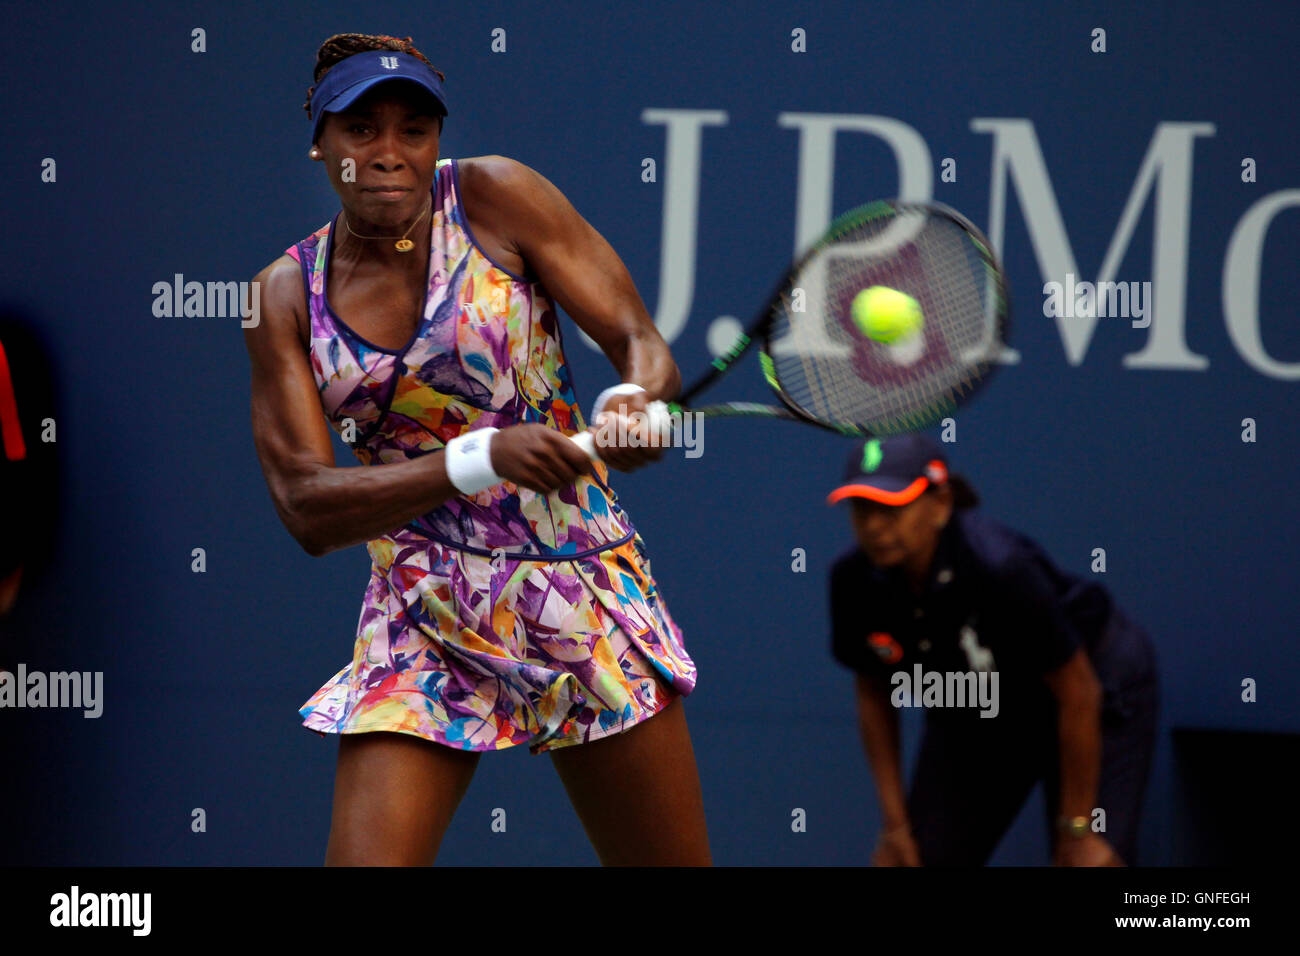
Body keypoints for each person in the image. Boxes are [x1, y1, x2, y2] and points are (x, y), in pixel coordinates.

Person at [242, 34, 709, 866]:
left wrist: (636, 398)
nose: (389, 153)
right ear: (320, 142)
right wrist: (481, 457)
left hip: (581, 591)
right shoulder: (284, 293)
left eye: (414, 130)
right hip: (423, 609)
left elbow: (639, 340)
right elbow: (307, 507)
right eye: (362, 130)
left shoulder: (496, 197)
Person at [826, 434, 1158, 866]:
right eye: (861, 509)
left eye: (891, 507)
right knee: (909, 861)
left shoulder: (999, 567)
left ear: (941, 504)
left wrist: (1078, 829)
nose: (873, 526)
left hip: (1095, 685)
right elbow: (873, 692)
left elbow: (1079, 693)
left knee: (1088, 862)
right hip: (979, 702)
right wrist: (895, 826)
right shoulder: (853, 580)